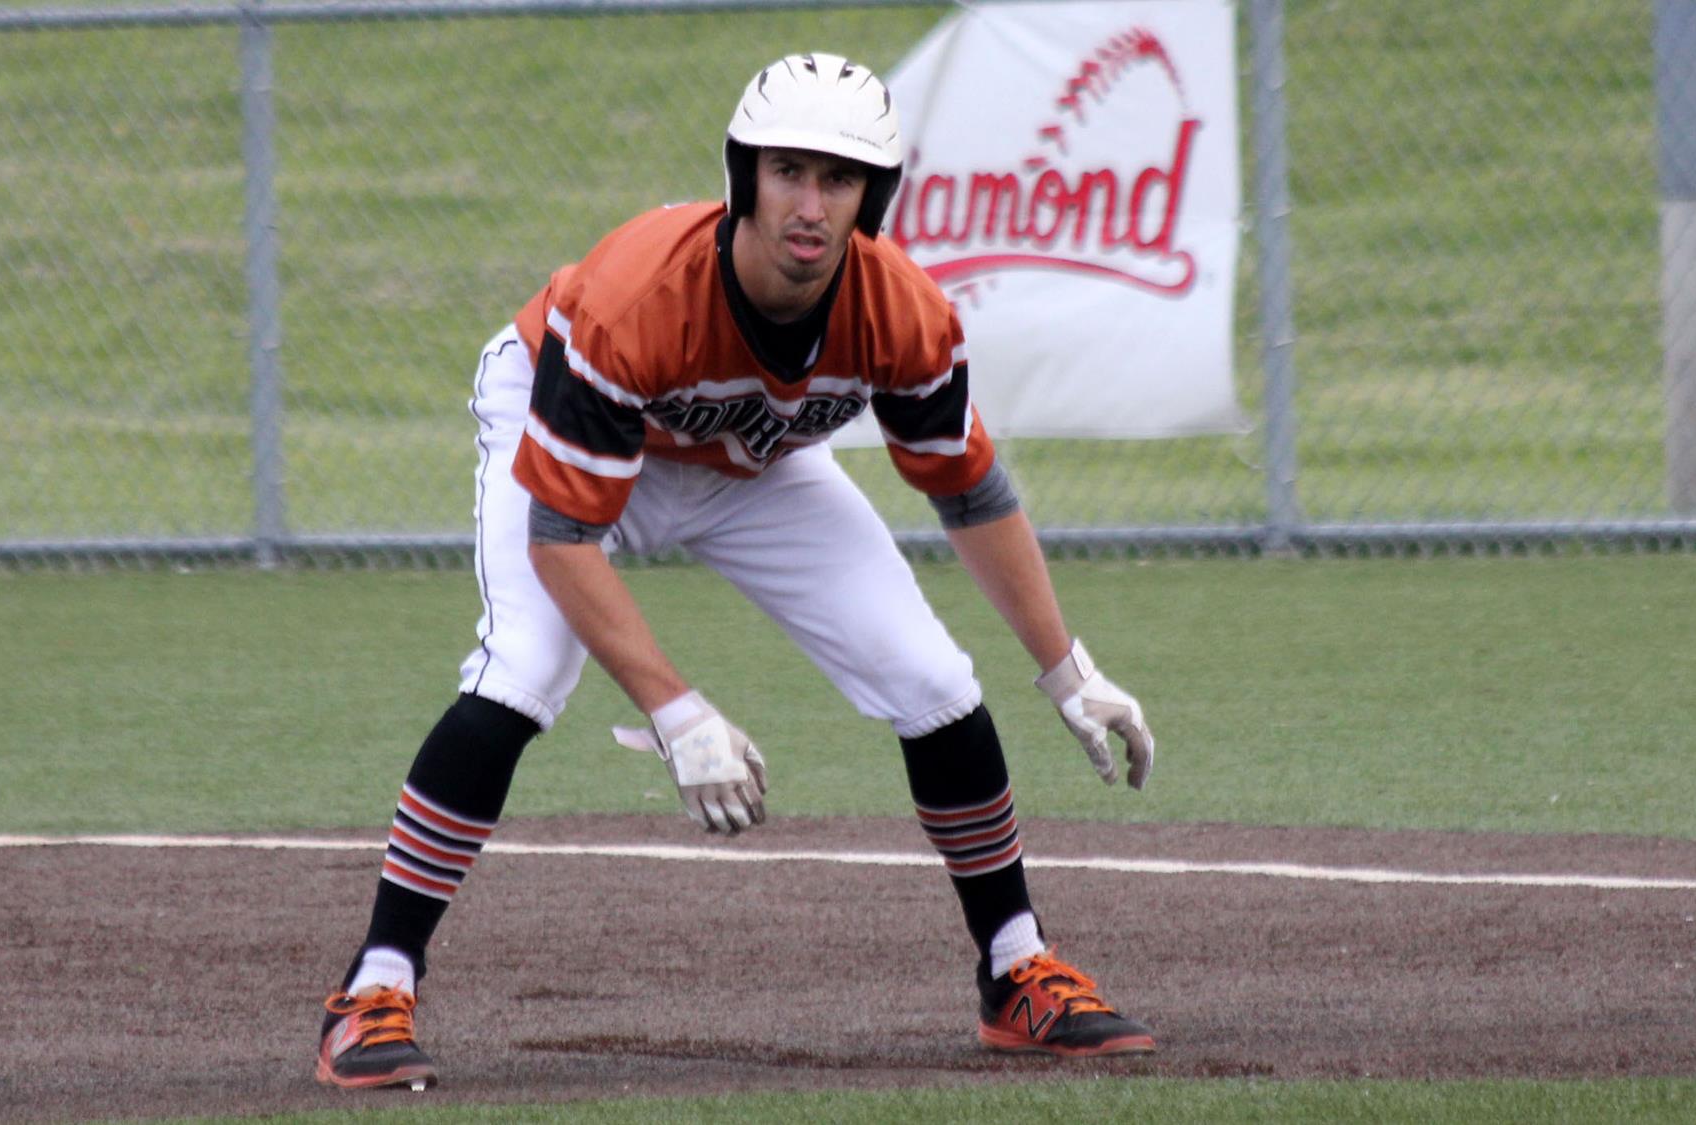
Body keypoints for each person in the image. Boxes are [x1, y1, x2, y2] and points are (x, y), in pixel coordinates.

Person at [315, 51, 1160, 1091]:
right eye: (787, 171)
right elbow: (564, 537)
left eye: (838, 178)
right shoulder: (636, 296)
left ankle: (1015, 970)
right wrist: (676, 710)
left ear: (873, 196)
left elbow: (969, 492)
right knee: (523, 669)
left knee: (932, 680)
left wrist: (1067, 669)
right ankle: (374, 987)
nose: (809, 204)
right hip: (565, 426)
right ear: (743, 176)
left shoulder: (901, 310)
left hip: (750, 460)